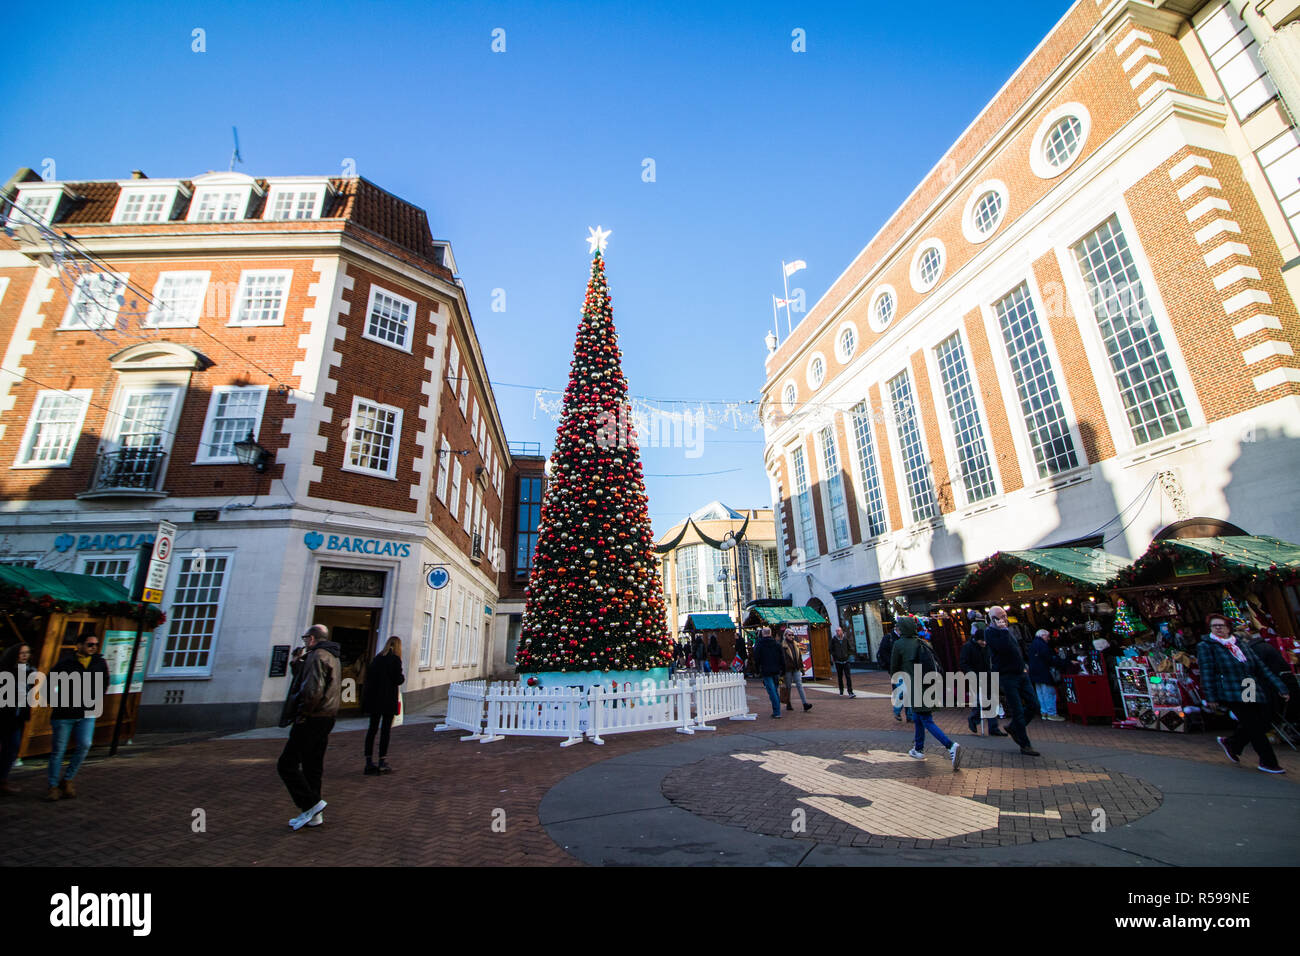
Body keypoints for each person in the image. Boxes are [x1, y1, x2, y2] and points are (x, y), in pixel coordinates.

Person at [1199, 615, 1290, 774]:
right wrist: (1210, 696)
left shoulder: (1240, 643)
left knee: (1261, 720)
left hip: (1249, 685)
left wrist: (1280, 687)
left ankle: (1233, 743)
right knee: (1254, 725)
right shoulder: (1207, 646)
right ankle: (1268, 761)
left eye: (1221, 625)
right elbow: (1207, 672)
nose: (1218, 628)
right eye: (1214, 626)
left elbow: (1261, 667)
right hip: (1230, 688)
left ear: (1229, 627)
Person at [278, 624, 342, 829]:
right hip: (327, 716)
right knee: (312, 766)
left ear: (312, 639)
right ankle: (313, 815)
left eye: (306, 638)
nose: (304, 642)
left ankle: (311, 804)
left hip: (312, 717)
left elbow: (312, 691)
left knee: (286, 764)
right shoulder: (333, 656)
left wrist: (302, 715)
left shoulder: (317, 656)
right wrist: (297, 665)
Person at [44, 634, 110, 802]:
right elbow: (49, 684)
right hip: (64, 713)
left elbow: (104, 682)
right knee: (59, 750)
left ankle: (67, 779)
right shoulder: (65, 663)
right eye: (89, 644)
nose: (93, 647)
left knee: (85, 744)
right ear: (79, 645)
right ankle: (52, 786)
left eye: (96, 644)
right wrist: (57, 701)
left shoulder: (99, 662)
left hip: (87, 712)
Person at [889, 616, 961, 769]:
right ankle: (918, 748)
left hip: (915, 686)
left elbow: (893, 668)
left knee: (926, 719)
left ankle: (950, 745)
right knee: (918, 716)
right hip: (929, 684)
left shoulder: (899, 644)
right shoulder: (923, 642)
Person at [984, 606, 1040, 756]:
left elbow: (1017, 648)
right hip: (1007, 676)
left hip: (1021, 673)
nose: (1004, 618)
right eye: (1000, 616)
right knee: (1017, 710)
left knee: (1033, 704)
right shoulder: (990, 632)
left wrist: (1024, 664)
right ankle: (1024, 744)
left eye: (1005, 615)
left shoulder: (1009, 630)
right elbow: (1002, 648)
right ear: (993, 619)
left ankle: (1015, 727)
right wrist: (1002, 630)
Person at [362, 636, 405, 775]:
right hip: (387, 699)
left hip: (374, 699)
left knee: (372, 729)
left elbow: (369, 677)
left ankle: (368, 761)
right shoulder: (395, 659)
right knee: (385, 730)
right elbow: (398, 679)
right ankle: (382, 761)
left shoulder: (377, 658)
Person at [0, 644, 36, 794]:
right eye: (21, 653)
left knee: (12, 748)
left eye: (27, 653)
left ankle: (2, 780)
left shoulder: (30, 671)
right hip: (3, 715)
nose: (24, 655)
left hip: (17, 717)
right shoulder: (4, 671)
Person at [958, 630, 1004, 736]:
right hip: (976, 677)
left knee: (991, 701)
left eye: (985, 640)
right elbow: (963, 663)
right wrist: (971, 673)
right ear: (976, 639)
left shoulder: (987, 647)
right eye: (982, 640)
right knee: (981, 701)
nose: (984, 643)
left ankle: (993, 727)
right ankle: (973, 719)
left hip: (988, 676)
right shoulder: (968, 647)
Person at [1027, 629, 1066, 721]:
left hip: (1035, 672)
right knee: (1049, 693)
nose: (1048, 639)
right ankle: (1051, 713)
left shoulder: (1033, 645)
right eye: (1047, 636)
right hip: (1043, 672)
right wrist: (1061, 662)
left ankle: (1044, 712)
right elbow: (1049, 659)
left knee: (1040, 693)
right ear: (1043, 636)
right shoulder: (1042, 646)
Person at [754, 627, 785, 718]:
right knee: (774, 690)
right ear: (770, 633)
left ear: (763, 634)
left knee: (772, 691)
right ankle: (776, 709)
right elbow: (782, 658)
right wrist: (782, 669)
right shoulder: (777, 644)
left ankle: (777, 711)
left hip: (766, 670)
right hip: (776, 670)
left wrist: (757, 669)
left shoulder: (760, 644)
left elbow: (757, 658)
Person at [878, 627, 905, 721]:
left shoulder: (903, 637)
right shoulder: (888, 638)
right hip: (894, 668)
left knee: (906, 691)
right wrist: (891, 663)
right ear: (897, 628)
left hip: (904, 667)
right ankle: (897, 711)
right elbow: (883, 652)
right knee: (900, 690)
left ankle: (909, 715)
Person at [781, 630, 812, 712]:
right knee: (788, 687)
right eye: (789, 635)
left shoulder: (795, 644)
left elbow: (799, 657)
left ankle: (805, 703)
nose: (791, 636)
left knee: (799, 685)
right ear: (785, 635)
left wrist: (802, 668)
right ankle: (788, 703)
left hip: (796, 668)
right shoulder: (783, 646)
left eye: (792, 635)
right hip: (788, 669)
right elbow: (782, 658)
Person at [830, 627, 856, 698]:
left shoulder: (845, 639)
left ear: (842, 631)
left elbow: (849, 648)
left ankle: (850, 691)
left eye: (839, 631)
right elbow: (830, 649)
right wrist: (835, 656)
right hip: (838, 661)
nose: (838, 632)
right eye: (837, 631)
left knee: (848, 676)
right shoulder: (834, 640)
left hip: (846, 660)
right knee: (840, 676)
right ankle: (841, 690)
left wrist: (847, 655)